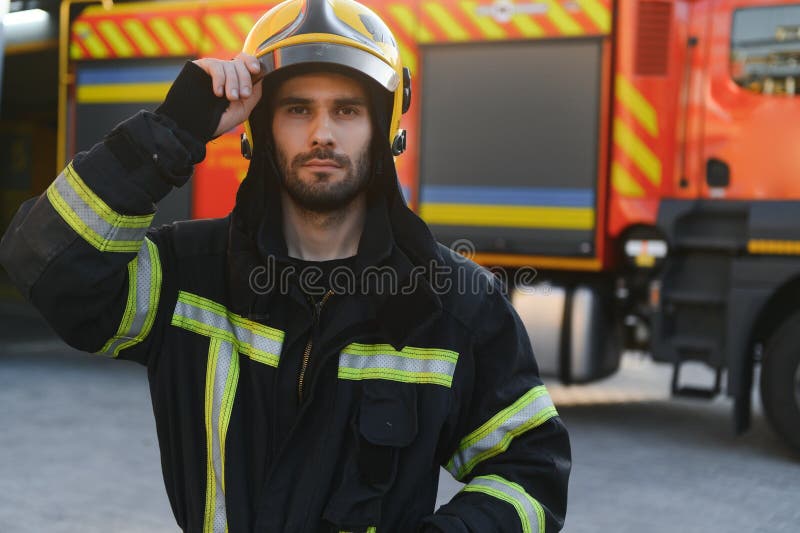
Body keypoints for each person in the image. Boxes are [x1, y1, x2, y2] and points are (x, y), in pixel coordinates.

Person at [0, 0, 570, 531]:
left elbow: (530, 471)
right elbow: (47, 266)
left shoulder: (452, 303)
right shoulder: (187, 277)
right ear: (260, 130)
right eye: (298, 109)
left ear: (384, 129)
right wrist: (172, 134)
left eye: (346, 110)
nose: (322, 134)